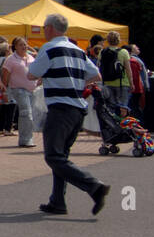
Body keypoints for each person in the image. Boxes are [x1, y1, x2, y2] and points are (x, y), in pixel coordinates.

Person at [26, 13, 109, 216]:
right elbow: (96, 75)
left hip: (60, 109)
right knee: (61, 156)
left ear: (50, 28)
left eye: (44, 27)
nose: (44, 30)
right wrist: (75, 84)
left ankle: (94, 186)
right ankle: (57, 201)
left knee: (54, 156)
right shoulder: (78, 51)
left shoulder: (50, 48)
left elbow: (31, 73)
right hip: (77, 108)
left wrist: (52, 79)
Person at [1, 36, 40, 148]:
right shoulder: (11, 59)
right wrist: (4, 90)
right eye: (21, 45)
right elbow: (5, 75)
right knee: (26, 113)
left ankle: (27, 138)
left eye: (25, 44)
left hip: (32, 90)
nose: (24, 46)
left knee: (30, 114)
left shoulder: (31, 58)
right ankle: (26, 140)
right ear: (15, 47)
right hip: (18, 89)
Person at [99, 31, 132, 114]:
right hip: (122, 83)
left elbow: (99, 67)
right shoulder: (124, 52)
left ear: (108, 40)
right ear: (119, 40)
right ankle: (121, 125)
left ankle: (111, 125)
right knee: (122, 108)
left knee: (110, 107)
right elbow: (128, 69)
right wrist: (132, 83)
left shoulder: (102, 52)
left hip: (107, 83)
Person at [127, 44, 147, 119]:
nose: (138, 48)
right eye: (135, 47)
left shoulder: (134, 60)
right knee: (136, 107)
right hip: (137, 87)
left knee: (134, 107)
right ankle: (138, 125)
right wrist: (146, 85)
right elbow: (139, 75)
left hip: (135, 87)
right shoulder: (135, 60)